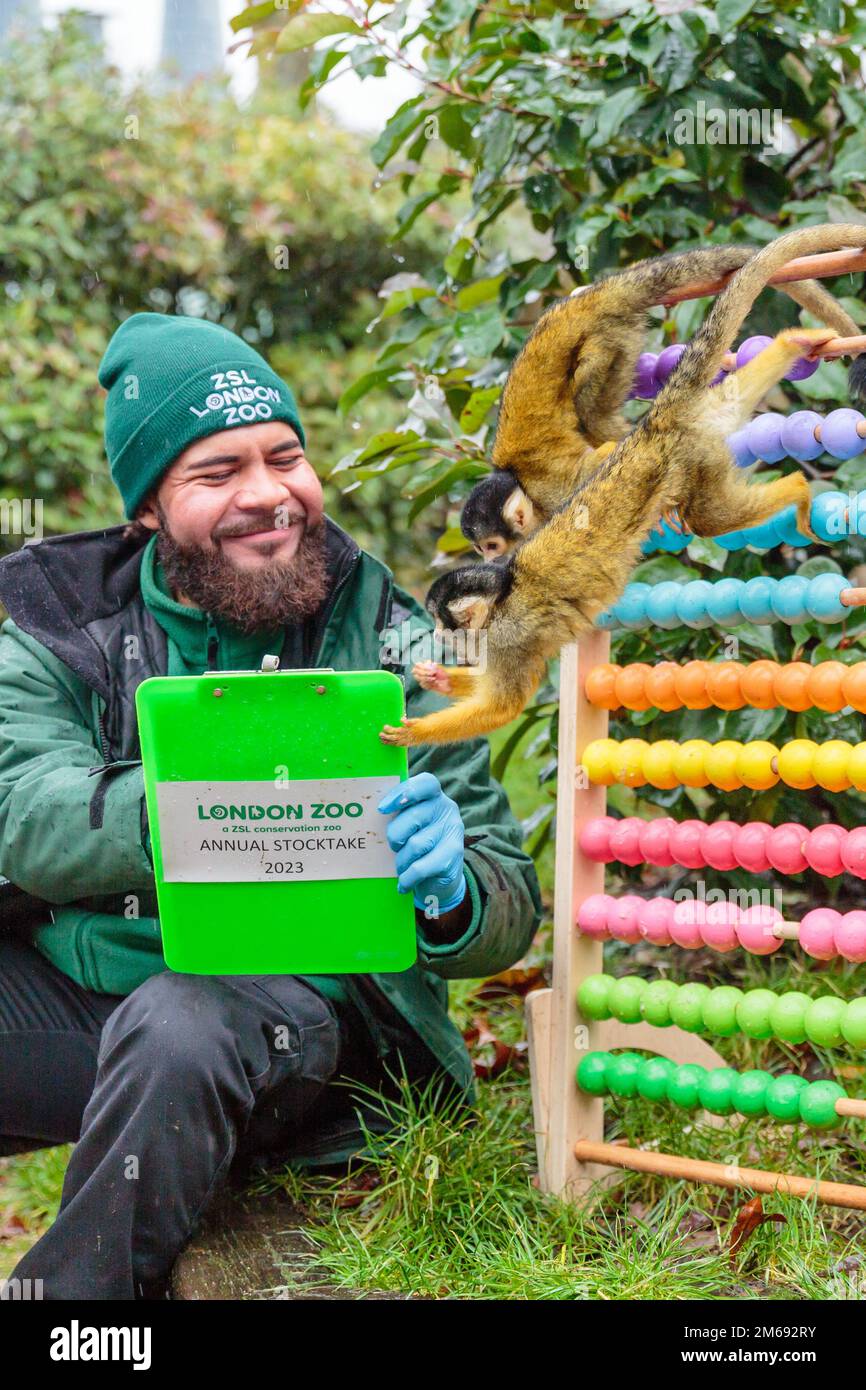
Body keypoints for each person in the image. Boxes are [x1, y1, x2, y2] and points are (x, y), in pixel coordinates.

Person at [0, 313, 543, 1300]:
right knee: (155, 1028)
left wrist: (452, 889)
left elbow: (506, 901)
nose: (267, 495)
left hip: (311, 1038)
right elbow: (27, 815)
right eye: (215, 473)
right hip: (92, 1011)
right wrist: (201, 808)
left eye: (284, 457)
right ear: (149, 512)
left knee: (181, 1024)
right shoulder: (60, 626)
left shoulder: (390, 639)